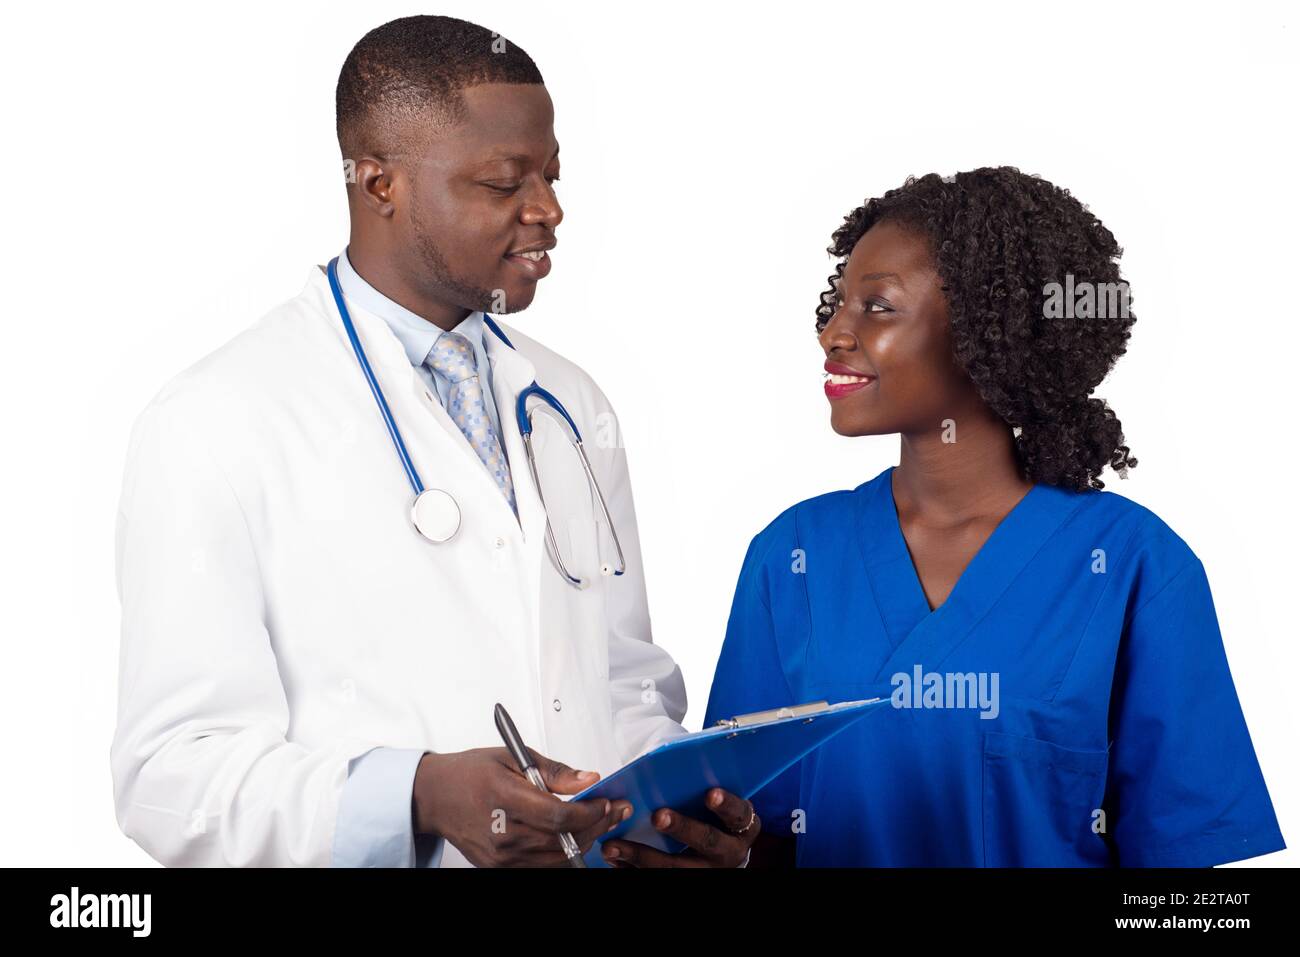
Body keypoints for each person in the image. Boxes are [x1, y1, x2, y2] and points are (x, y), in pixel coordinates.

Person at [110, 15, 757, 868]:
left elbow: (621, 678)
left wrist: (679, 812)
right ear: (379, 183)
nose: (549, 210)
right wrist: (415, 795)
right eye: (503, 183)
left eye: (553, 176)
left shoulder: (569, 402)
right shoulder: (213, 421)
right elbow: (171, 777)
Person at [693, 167, 1286, 867]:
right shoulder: (792, 556)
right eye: (837, 302)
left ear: (986, 330)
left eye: (876, 306)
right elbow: (746, 834)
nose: (833, 332)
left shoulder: (1132, 565)